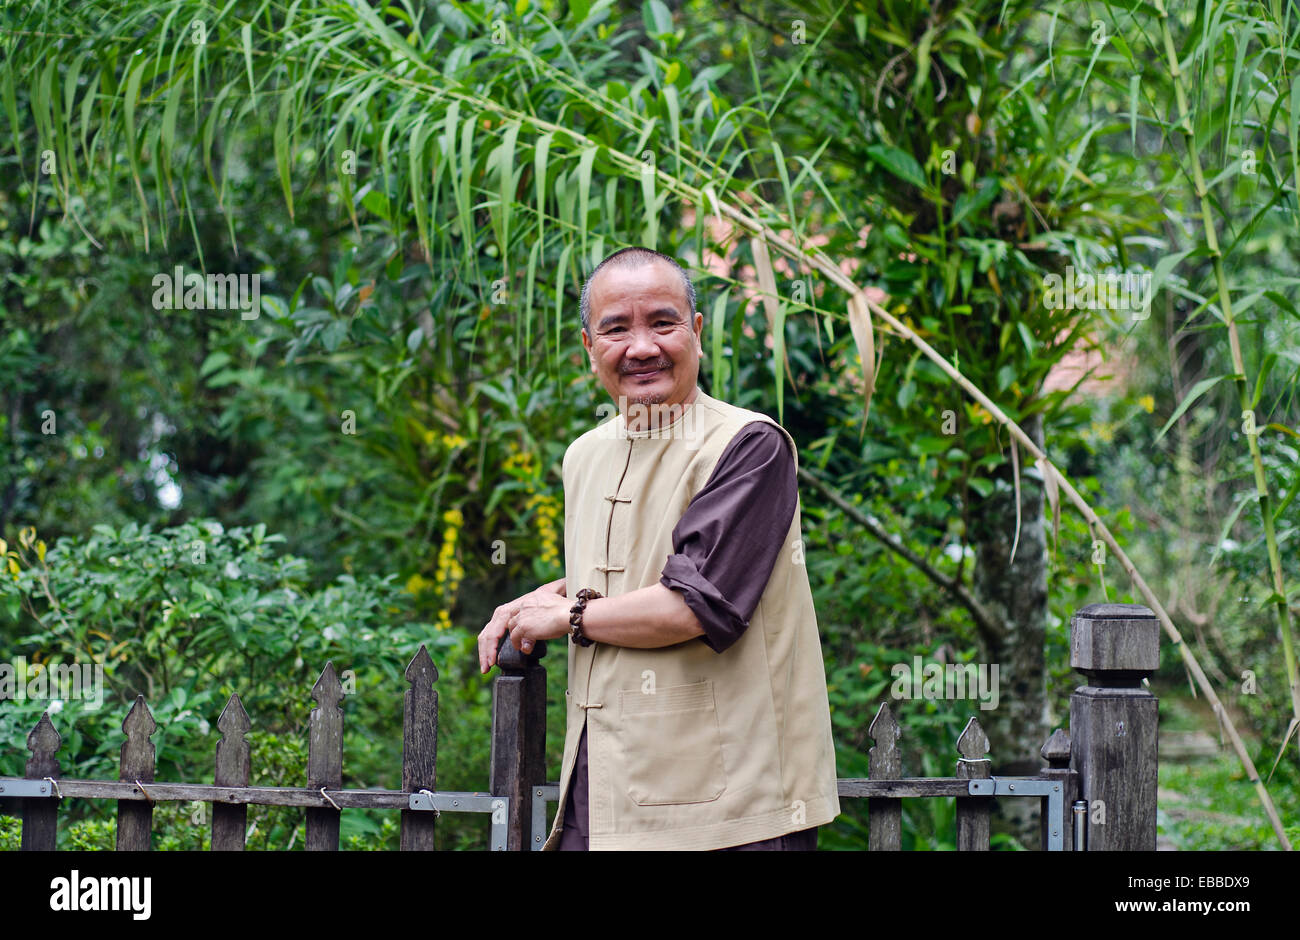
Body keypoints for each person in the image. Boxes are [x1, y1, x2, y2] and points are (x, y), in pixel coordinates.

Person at [477, 246, 839, 850]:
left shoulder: (749, 445)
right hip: (601, 789)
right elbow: (639, 575)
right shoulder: (585, 455)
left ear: (696, 333)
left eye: (663, 322)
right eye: (616, 328)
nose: (641, 347)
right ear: (588, 347)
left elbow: (694, 606)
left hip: (732, 807)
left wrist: (566, 616)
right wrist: (547, 596)